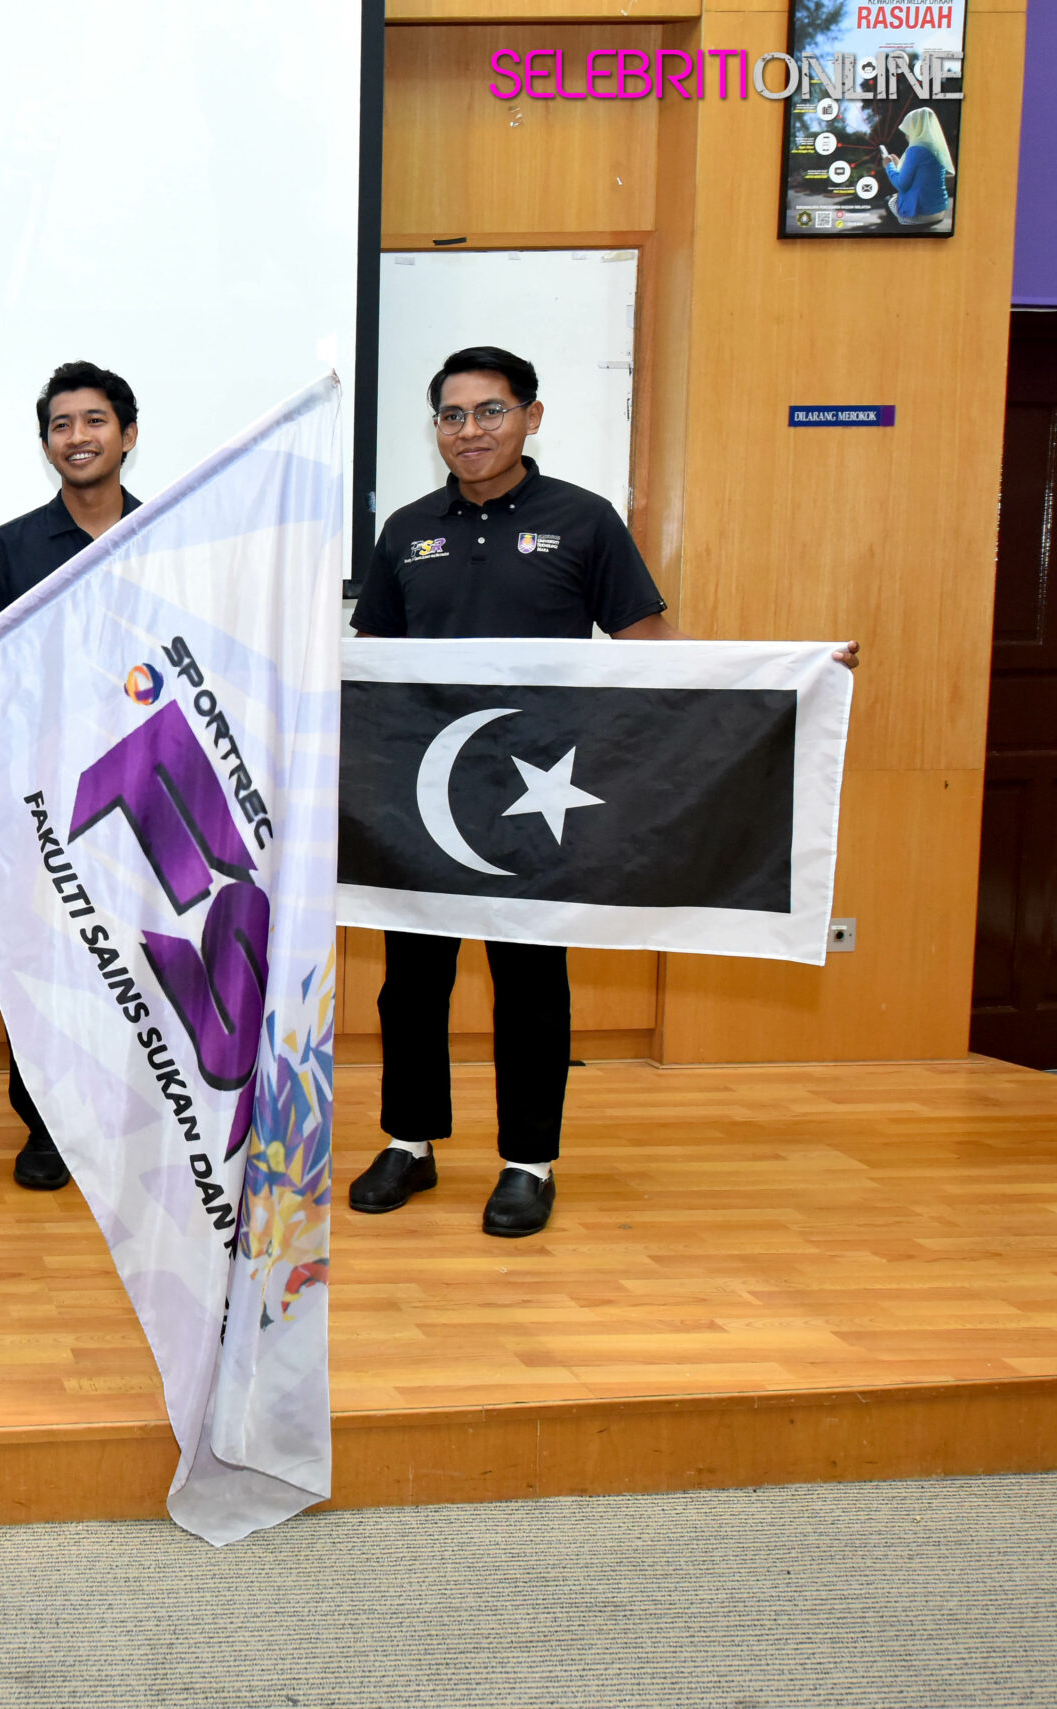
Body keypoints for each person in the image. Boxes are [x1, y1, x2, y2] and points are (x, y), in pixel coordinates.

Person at [347, 346, 858, 1238]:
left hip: (540, 795)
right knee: (412, 982)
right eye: (452, 415)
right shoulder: (406, 531)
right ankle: (409, 1142)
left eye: (490, 412)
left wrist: (787, 672)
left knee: (533, 981)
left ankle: (527, 1162)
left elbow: (646, 636)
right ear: (435, 429)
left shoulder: (582, 521)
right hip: (422, 799)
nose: (470, 431)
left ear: (531, 417)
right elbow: (371, 663)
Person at [0, 361, 143, 1191]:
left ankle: (133, 1121)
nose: (78, 437)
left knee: (142, 960)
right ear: (45, 441)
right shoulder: (7, 549)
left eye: (94, 421)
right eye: (61, 425)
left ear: (127, 432)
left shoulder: (169, 537)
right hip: (43, 796)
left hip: (152, 791)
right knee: (45, 964)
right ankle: (46, 1126)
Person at [881, 107, 955, 228]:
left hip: (922, 214)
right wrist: (899, 164)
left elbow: (901, 185)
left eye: (908, 130)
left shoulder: (916, 150)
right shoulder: (937, 148)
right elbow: (922, 175)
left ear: (916, 128)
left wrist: (888, 165)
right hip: (939, 210)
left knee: (888, 201)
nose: (906, 136)